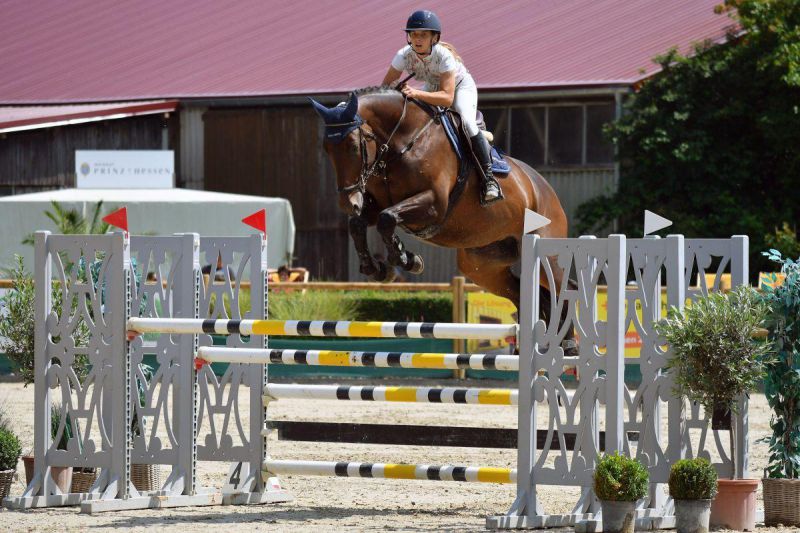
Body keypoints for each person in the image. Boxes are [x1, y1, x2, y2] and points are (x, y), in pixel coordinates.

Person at [381, 9, 503, 206]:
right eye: (413, 34)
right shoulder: (403, 55)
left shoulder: (444, 56)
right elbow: (384, 88)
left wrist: (415, 93)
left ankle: (489, 179)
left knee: (466, 120)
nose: (417, 39)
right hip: (433, 86)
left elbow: (447, 99)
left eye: (423, 35)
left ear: (434, 38)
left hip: (460, 87)